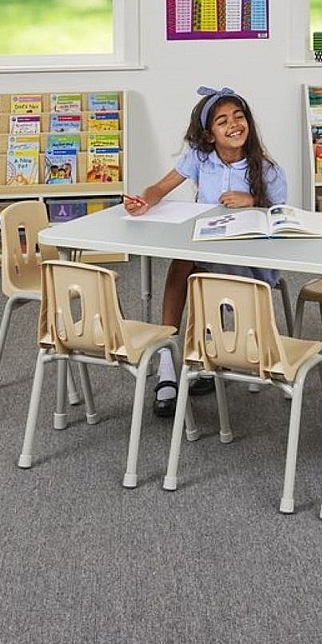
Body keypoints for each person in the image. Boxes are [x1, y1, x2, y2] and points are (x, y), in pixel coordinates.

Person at [124, 86, 287, 417]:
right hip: (207, 255)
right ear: (210, 135)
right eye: (223, 121)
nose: (234, 125)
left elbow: (283, 219)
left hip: (249, 263)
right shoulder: (201, 159)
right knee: (183, 262)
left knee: (190, 266)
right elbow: (159, 187)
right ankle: (169, 360)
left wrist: (253, 202)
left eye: (239, 118)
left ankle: (207, 354)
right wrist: (144, 202)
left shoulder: (268, 170)